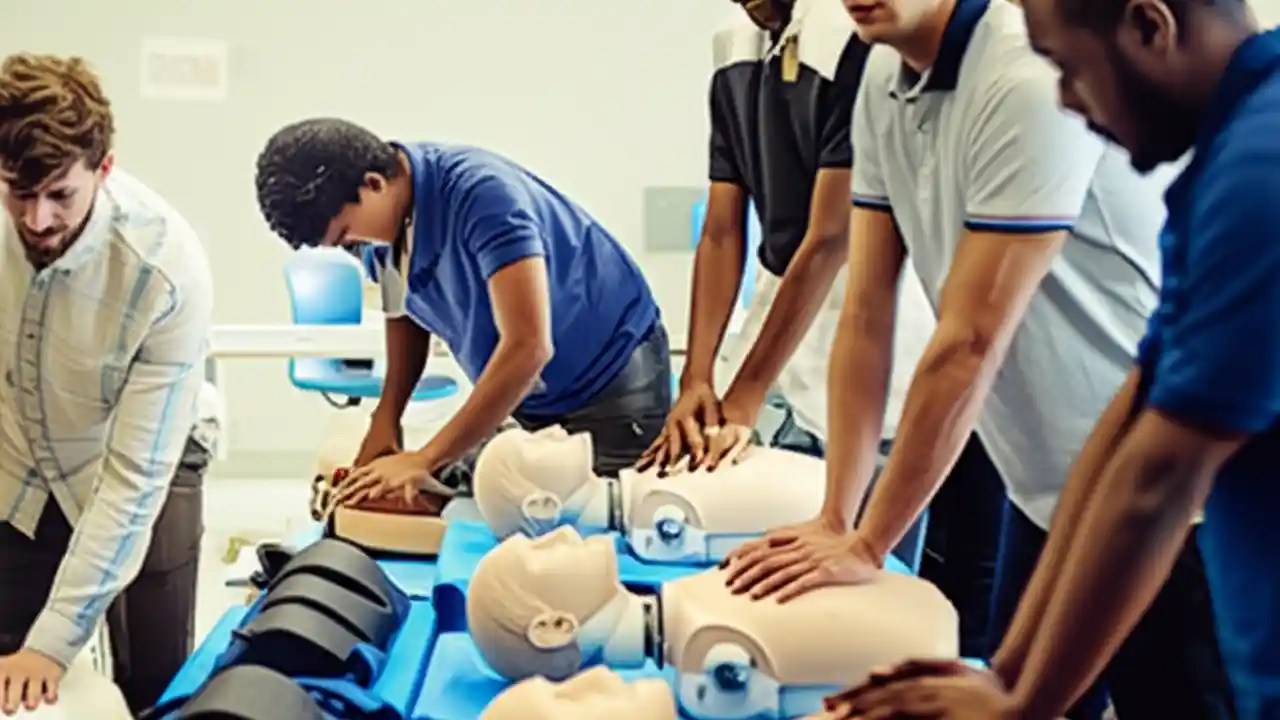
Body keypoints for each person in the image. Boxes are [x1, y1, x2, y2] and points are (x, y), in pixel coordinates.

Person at [721, 0, 1237, 716]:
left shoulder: (1029, 75)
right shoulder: (879, 76)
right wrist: (839, 516)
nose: (1065, 102)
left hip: (1188, 514)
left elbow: (971, 341)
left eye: (1072, 76)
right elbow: (867, 312)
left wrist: (870, 542)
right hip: (1059, 489)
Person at [254, 118, 671, 504]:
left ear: (374, 183)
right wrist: (386, 417)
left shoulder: (482, 195)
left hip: (613, 385)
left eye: (345, 235)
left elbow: (529, 347)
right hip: (531, 397)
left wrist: (424, 458)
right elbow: (403, 307)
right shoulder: (379, 225)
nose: (352, 247)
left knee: (583, 531)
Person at [0, 53, 214, 715]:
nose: (37, 220)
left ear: (105, 170)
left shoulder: (166, 270)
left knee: (155, 679)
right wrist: (33, 649)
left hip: (148, 459)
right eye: (17, 192)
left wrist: (57, 639)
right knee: (15, 663)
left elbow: (131, 482)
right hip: (20, 458)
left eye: (60, 195)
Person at [639, 0, 932, 470]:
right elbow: (719, 231)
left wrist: (747, 395)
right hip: (781, 310)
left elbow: (831, 238)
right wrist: (697, 377)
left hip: (868, 309)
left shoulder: (851, 38)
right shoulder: (734, 45)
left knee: (852, 521)